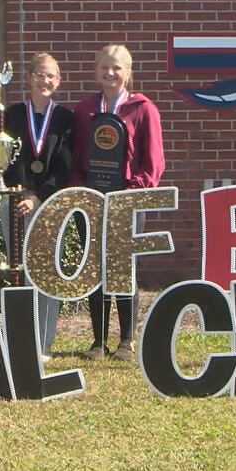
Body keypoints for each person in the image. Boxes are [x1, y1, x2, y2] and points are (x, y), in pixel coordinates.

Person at [68, 43, 164, 359]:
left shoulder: (143, 109)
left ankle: (126, 341)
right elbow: (76, 157)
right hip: (93, 201)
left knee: (123, 270)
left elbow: (153, 163)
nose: (110, 73)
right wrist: (83, 192)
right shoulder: (84, 111)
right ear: (96, 71)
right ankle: (98, 342)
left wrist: (131, 191)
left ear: (128, 73)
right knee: (95, 269)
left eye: (117, 68)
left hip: (127, 201)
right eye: (104, 67)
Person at [1, 53, 74, 359]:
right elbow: (4, 159)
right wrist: (18, 194)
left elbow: (64, 165)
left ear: (58, 82)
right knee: (18, 270)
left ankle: (43, 342)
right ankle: (17, 338)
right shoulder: (12, 114)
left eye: (51, 76)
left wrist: (38, 195)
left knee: (45, 273)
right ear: (29, 77)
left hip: (48, 202)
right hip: (14, 202)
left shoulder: (64, 119)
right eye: (39, 74)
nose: (45, 81)